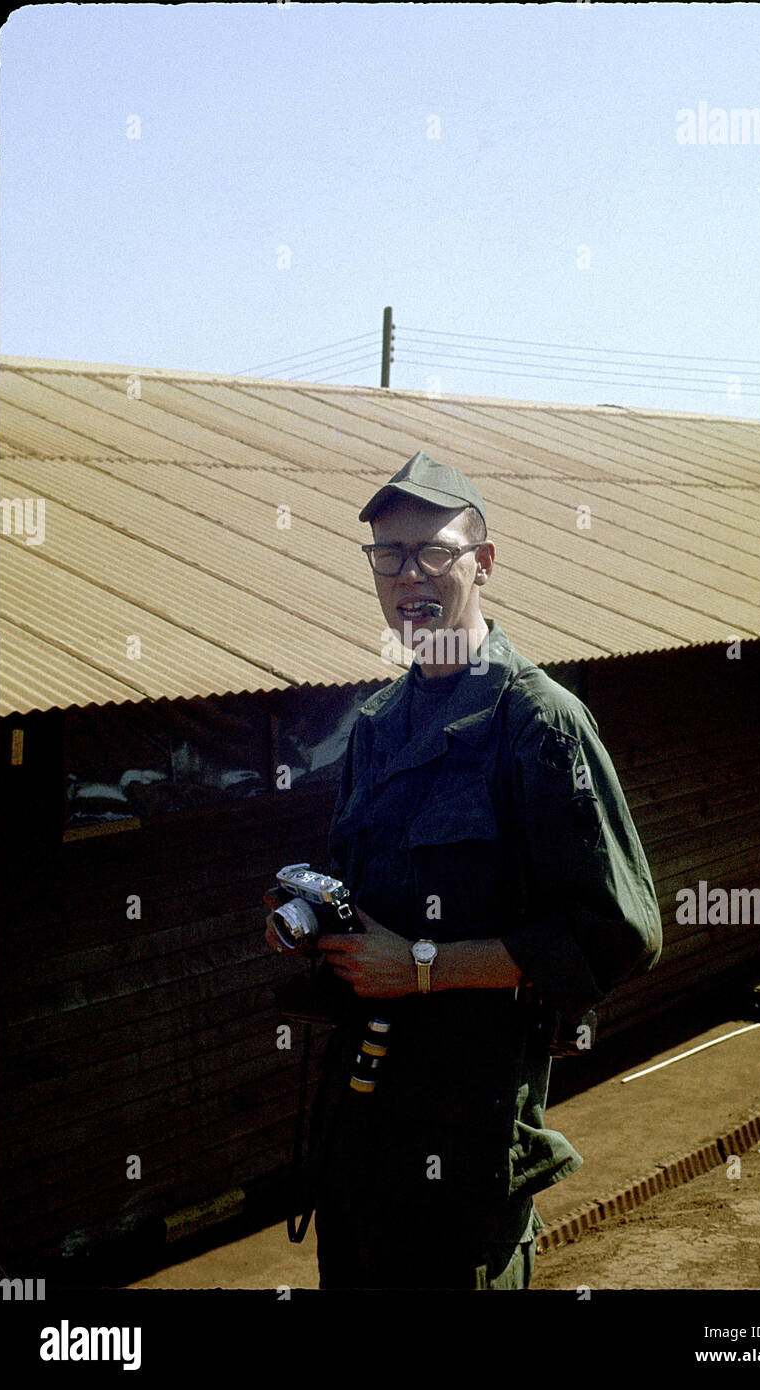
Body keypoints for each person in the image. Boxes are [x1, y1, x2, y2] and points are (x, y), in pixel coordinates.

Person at [269, 450, 662, 1290]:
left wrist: (422, 970)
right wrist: (314, 923)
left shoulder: (539, 723)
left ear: (483, 562)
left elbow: (617, 933)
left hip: (467, 1148)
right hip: (359, 1139)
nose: (409, 575)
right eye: (388, 555)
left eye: (433, 552)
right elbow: (364, 899)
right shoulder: (377, 724)